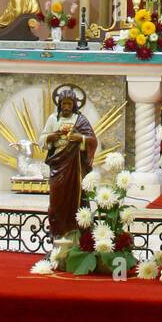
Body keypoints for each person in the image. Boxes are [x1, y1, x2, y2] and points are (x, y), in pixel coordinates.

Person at [39, 87, 97, 237]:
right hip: (58, 163)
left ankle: (76, 234)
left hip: (75, 165)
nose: (66, 107)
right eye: (63, 104)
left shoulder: (80, 120)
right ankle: (58, 233)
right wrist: (52, 137)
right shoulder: (53, 119)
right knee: (56, 201)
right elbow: (42, 140)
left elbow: (92, 140)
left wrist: (81, 138)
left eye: (69, 104)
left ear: (74, 105)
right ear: (59, 104)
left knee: (75, 199)